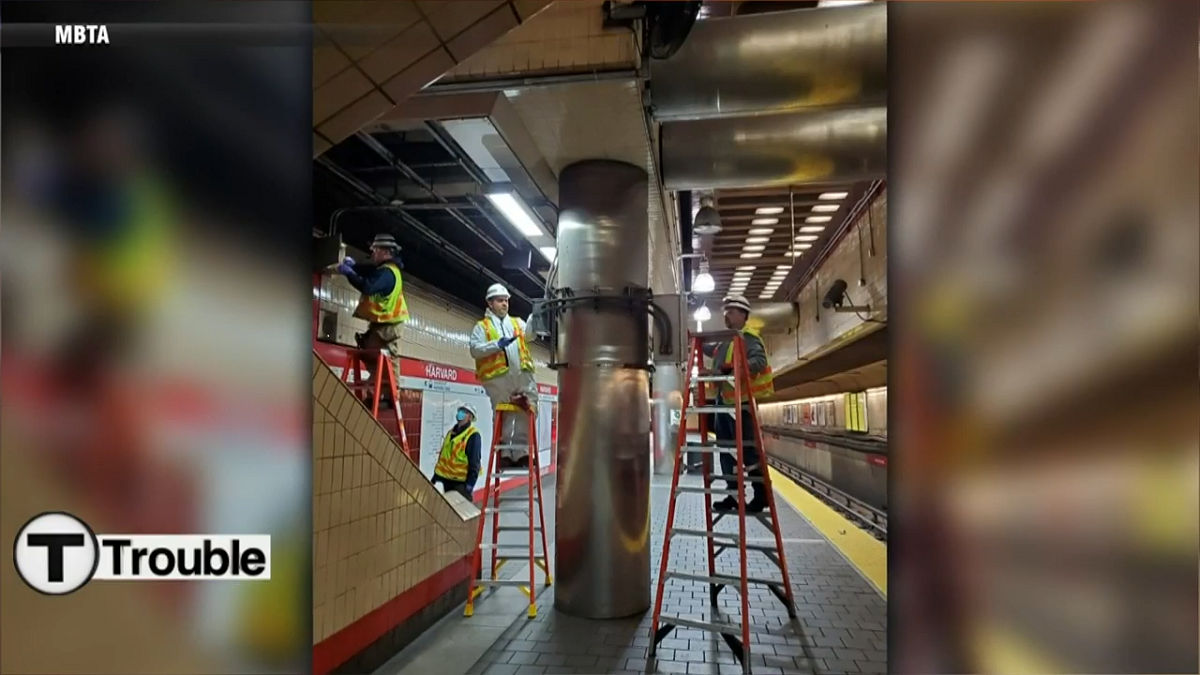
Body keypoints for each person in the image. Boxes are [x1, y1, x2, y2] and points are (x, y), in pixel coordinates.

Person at [703, 295, 775, 512]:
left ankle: (761, 495)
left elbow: (759, 361)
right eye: (726, 311)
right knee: (726, 450)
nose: (727, 314)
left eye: (731, 311)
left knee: (748, 451)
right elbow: (713, 351)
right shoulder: (727, 340)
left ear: (743, 315)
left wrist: (734, 368)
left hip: (740, 405)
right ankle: (733, 494)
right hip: (723, 404)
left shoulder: (749, 338)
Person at [469, 283, 538, 468]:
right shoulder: (481, 327)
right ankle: (504, 453)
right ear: (490, 303)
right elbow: (475, 350)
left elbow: (530, 336)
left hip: (522, 378)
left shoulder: (517, 323)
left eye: (506, 300)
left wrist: (534, 317)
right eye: (500, 301)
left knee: (528, 409)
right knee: (504, 415)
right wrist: (496, 345)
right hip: (498, 380)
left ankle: (522, 452)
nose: (505, 304)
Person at [336, 233, 409, 398]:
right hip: (385, 324)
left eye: (376, 249)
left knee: (380, 355)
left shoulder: (387, 273)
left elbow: (367, 286)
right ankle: (383, 390)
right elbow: (370, 271)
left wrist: (349, 273)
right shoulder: (385, 270)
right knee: (374, 354)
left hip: (389, 325)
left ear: (386, 252)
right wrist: (354, 267)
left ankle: (389, 393)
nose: (373, 253)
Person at [432, 404, 482, 499]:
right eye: (461, 410)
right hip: (445, 482)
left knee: (460, 512)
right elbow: (443, 456)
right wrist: (435, 478)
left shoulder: (473, 435)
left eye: (465, 412)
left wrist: (469, 485)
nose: (461, 413)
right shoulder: (451, 433)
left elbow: (475, 462)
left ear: (470, 417)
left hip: (460, 484)